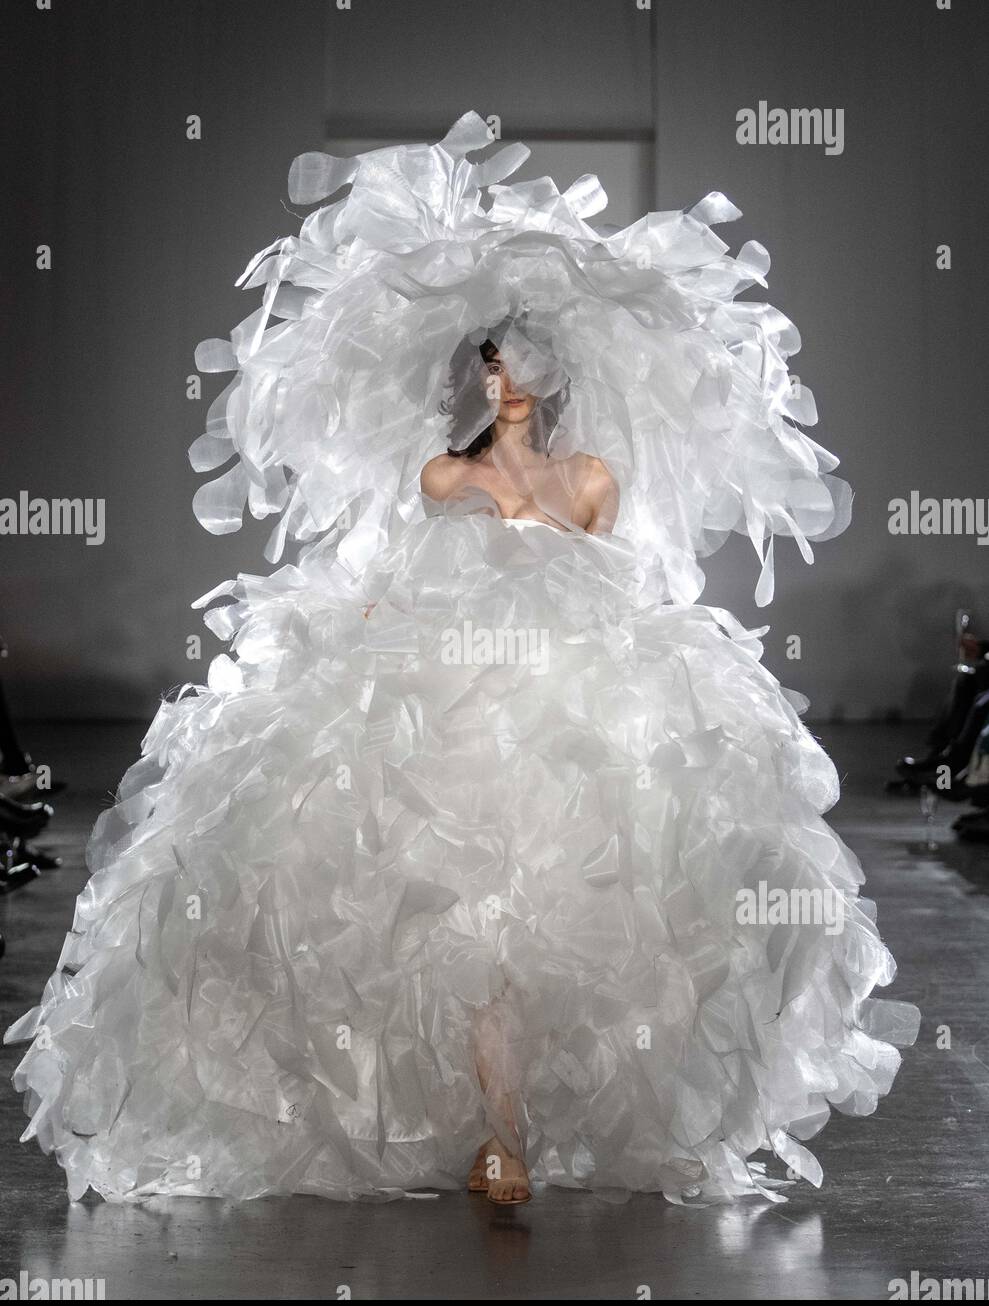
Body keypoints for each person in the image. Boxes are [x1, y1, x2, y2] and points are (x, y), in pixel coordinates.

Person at [4, 113, 919, 1208]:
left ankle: (517, 1122)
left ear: (552, 372)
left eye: (526, 361)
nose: (511, 378)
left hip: (570, 709)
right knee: (458, 915)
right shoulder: (444, 480)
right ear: (480, 373)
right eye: (496, 361)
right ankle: (499, 1132)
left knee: (556, 912)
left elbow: (624, 591)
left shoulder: (587, 484)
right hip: (442, 707)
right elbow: (403, 572)